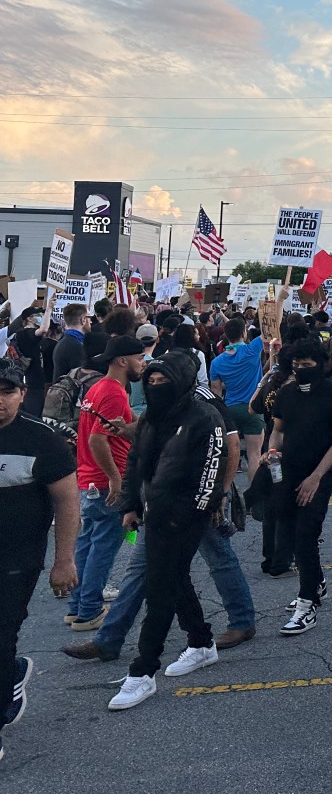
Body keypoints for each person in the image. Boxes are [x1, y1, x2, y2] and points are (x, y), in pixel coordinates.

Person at [108, 351, 226, 711]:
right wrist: (130, 504)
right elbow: (135, 461)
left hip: (183, 518)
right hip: (152, 514)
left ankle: (142, 671)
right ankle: (201, 641)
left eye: (164, 382)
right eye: (152, 382)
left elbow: (211, 478)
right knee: (173, 580)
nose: (156, 387)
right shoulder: (151, 418)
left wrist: (185, 517)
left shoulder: (205, 418)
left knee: (159, 588)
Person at [0, 358, 78, 762]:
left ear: (22, 394)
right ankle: (10, 674)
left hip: (17, 556)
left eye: (7, 392)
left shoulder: (41, 438)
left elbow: (67, 501)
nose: (0, 401)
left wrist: (63, 560)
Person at [265, 337, 332, 635]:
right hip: (287, 471)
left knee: (306, 533)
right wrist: (272, 451)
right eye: (296, 364)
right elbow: (277, 431)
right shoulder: (286, 394)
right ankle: (315, 583)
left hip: (320, 472)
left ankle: (307, 603)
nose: (301, 369)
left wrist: (316, 477)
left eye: (308, 364)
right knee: (287, 531)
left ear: (321, 364)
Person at [66, 336, 143, 631]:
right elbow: (97, 438)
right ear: (122, 361)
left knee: (89, 544)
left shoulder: (100, 388)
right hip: (103, 480)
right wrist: (115, 478)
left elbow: (130, 425)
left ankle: (78, 606)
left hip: (88, 479)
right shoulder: (112, 392)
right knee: (103, 547)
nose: (143, 364)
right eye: (139, 358)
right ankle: (89, 610)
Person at [208, 314, 264, 480]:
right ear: (244, 333)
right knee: (255, 456)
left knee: (230, 457)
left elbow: (216, 390)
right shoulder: (251, 350)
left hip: (229, 409)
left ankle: (225, 494)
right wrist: (280, 299)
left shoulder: (217, 362)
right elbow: (270, 328)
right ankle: (254, 498)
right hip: (252, 408)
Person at [51, 303, 90, 379]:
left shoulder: (65, 340)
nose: (91, 322)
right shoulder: (75, 345)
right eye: (89, 317)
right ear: (83, 320)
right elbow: (81, 377)